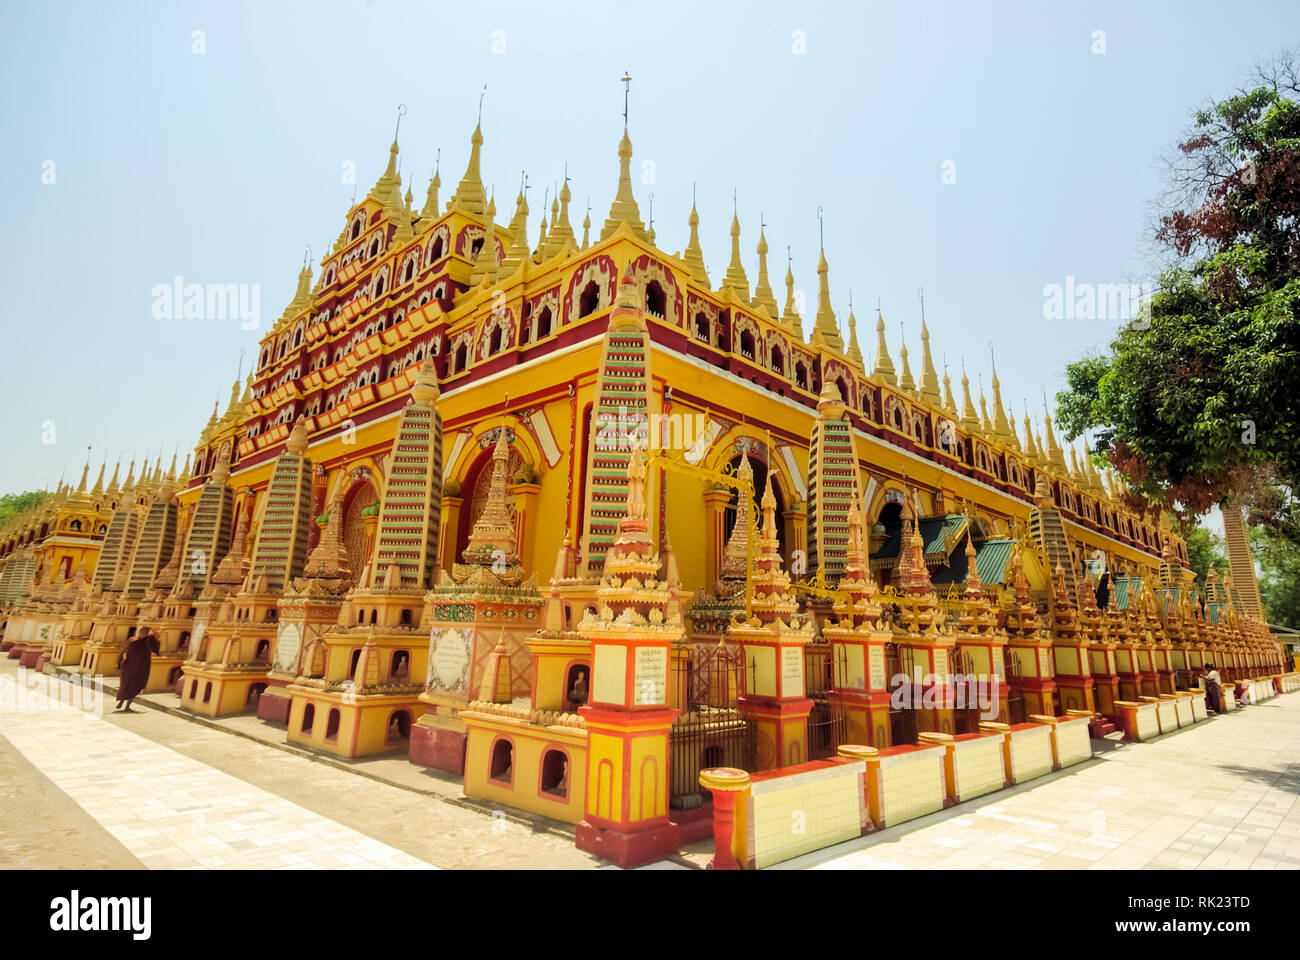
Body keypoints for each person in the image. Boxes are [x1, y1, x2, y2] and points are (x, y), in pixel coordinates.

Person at [116, 628, 160, 712]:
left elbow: (158, 637)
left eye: (145, 633)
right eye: (141, 632)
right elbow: (122, 651)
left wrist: (152, 628)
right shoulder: (132, 640)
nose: (142, 634)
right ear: (138, 632)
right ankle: (121, 701)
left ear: (147, 634)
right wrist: (118, 663)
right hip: (129, 666)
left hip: (141, 668)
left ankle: (127, 706)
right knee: (125, 684)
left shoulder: (148, 642)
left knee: (136, 687)